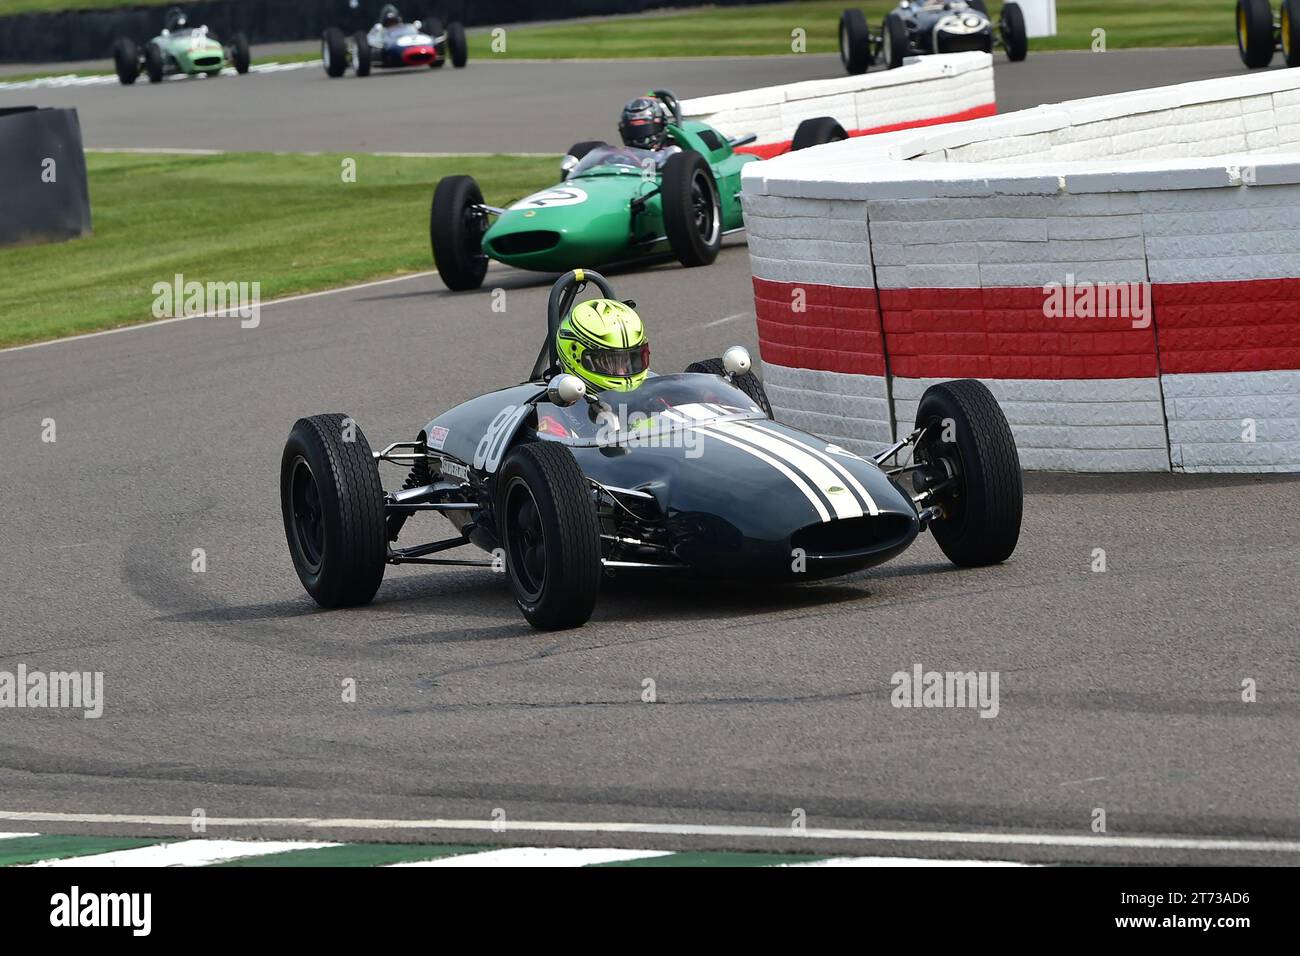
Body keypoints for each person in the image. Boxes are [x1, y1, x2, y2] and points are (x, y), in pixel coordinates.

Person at [555, 298, 650, 393]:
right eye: (606, 362)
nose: (622, 372)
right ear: (574, 353)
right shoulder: (550, 405)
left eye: (627, 361)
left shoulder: (650, 388)